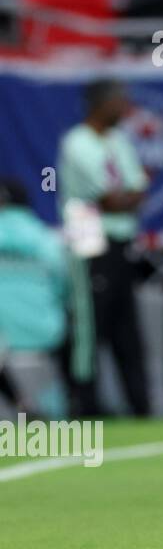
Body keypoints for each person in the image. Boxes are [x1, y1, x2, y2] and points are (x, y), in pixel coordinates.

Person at [57, 78, 151, 417]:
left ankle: (140, 404)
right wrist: (125, 198)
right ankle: (84, 404)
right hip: (87, 238)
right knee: (88, 322)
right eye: (118, 100)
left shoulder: (119, 140)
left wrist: (126, 198)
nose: (124, 108)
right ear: (99, 103)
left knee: (127, 323)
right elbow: (112, 198)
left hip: (120, 240)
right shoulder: (77, 142)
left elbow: (137, 191)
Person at [0, 178, 68, 417]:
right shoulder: (46, 238)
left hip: (5, 342)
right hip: (44, 338)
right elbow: (63, 285)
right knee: (51, 420)